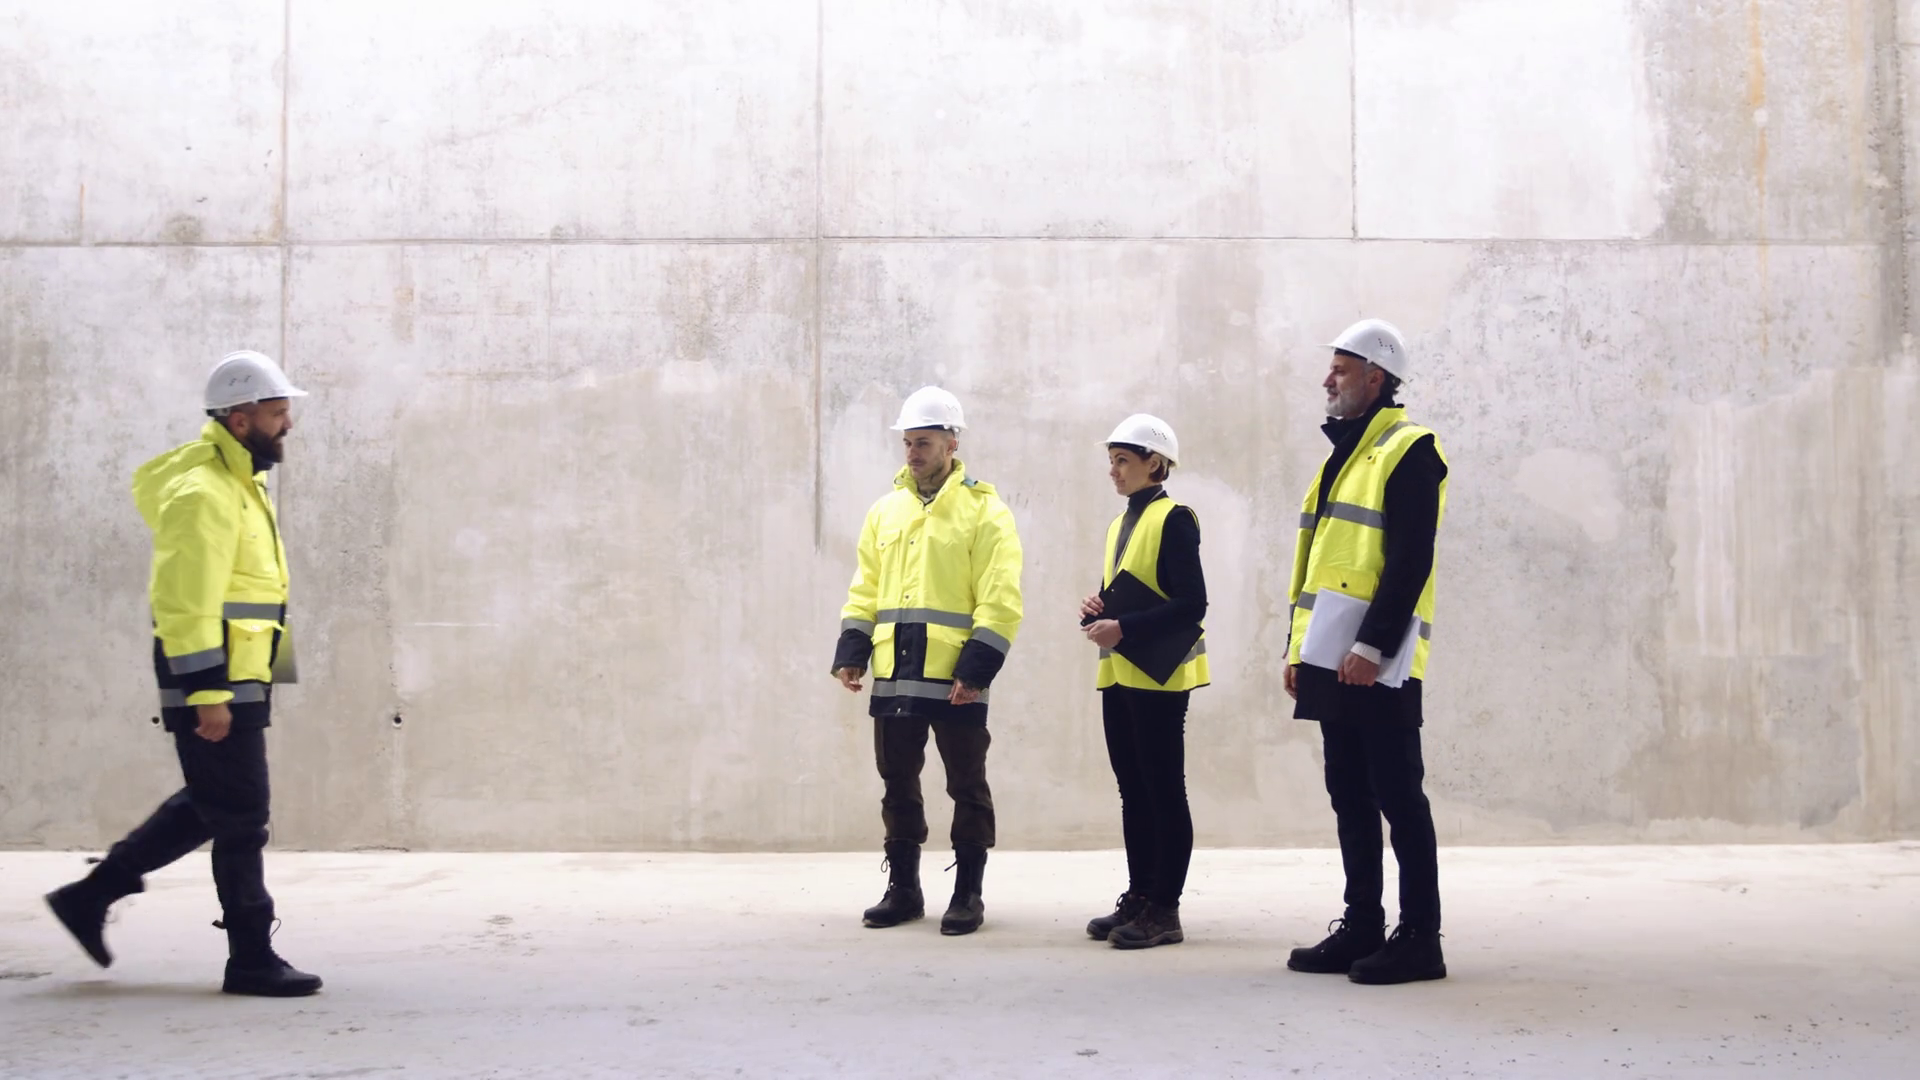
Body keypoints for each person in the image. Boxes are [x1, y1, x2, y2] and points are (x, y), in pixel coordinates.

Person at [44, 350, 323, 998]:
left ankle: (89, 896)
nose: (288, 426)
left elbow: (252, 591)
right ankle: (251, 957)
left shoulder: (240, 484)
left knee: (214, 803)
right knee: (242, 816)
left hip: (240, 671)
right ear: (240, 418)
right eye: (278, 414)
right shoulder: (203, 492)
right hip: (214, 676)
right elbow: (183, 602)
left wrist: (262, 674)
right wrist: (207, 692)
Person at [1283, 319, 1450, 985]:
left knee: (1398, 795)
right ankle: (1361, 926)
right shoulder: (1343, 456)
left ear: (1376, 378)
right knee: (1348, 792)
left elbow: (1411, 561)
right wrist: (1297, 652)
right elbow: (1321, 567)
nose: (1328, 379)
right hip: (1331, 656)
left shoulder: (1411, 450)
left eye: (1341, 369)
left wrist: (1373, 645)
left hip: (1377, 660)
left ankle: (1420, 938)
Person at [832, 386, 1024, 936]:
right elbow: (864, 588)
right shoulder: (884, 511)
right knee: (896, 781)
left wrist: (975, 671)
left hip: (957, 677)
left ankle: (968, 894)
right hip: (894, 677)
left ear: (952, 443)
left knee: (967, 783)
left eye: (924, 442)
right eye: (908, 442)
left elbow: (1001, 596)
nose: (913, 453)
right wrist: (853, 652)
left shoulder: (985, 510)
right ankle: (905, 890)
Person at [1080, 415, 1208, 950]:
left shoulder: (1175, 518)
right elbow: (1135, 590)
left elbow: (1192, 603)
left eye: (1123, 461)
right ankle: (1139, 894)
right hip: (1120, 671)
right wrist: (1098, 607)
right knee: (1133, 790)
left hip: (1160, 676)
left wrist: (1125, 625)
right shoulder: (1119, 524)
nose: (1113, 471)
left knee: (1162, 789)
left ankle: (1165, 909)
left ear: (1154, 463)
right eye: (1111, 461)